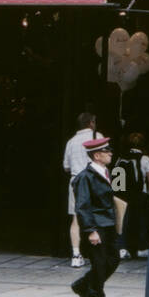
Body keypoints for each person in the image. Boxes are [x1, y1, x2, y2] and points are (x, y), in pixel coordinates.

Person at [70, 137, 119, 297]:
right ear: (97, 155)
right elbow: (82, 206)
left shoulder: (106, 172)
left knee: (113, 260)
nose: (110, 153)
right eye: (107, 151)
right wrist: (91, 231)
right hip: (97, 226)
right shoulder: (85, 177)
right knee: (99, 264)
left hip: (108, 224)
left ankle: (82, 285)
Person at [63, 108, 103, 268]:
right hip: (93, 180)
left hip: (75, 181)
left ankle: (76, 254)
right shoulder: (97, 137)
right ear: (91, 123)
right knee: (98, 216)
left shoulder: (71, 141)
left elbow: (66, 167)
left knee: (76, 218)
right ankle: (98, 253)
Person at [115, 132, 149, 259]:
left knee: (123, 221)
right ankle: (141, 248)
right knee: (141, 221)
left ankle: (122, 248)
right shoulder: (145, 159)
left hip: (122, 195)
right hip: (140, 195)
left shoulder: (121, 158)